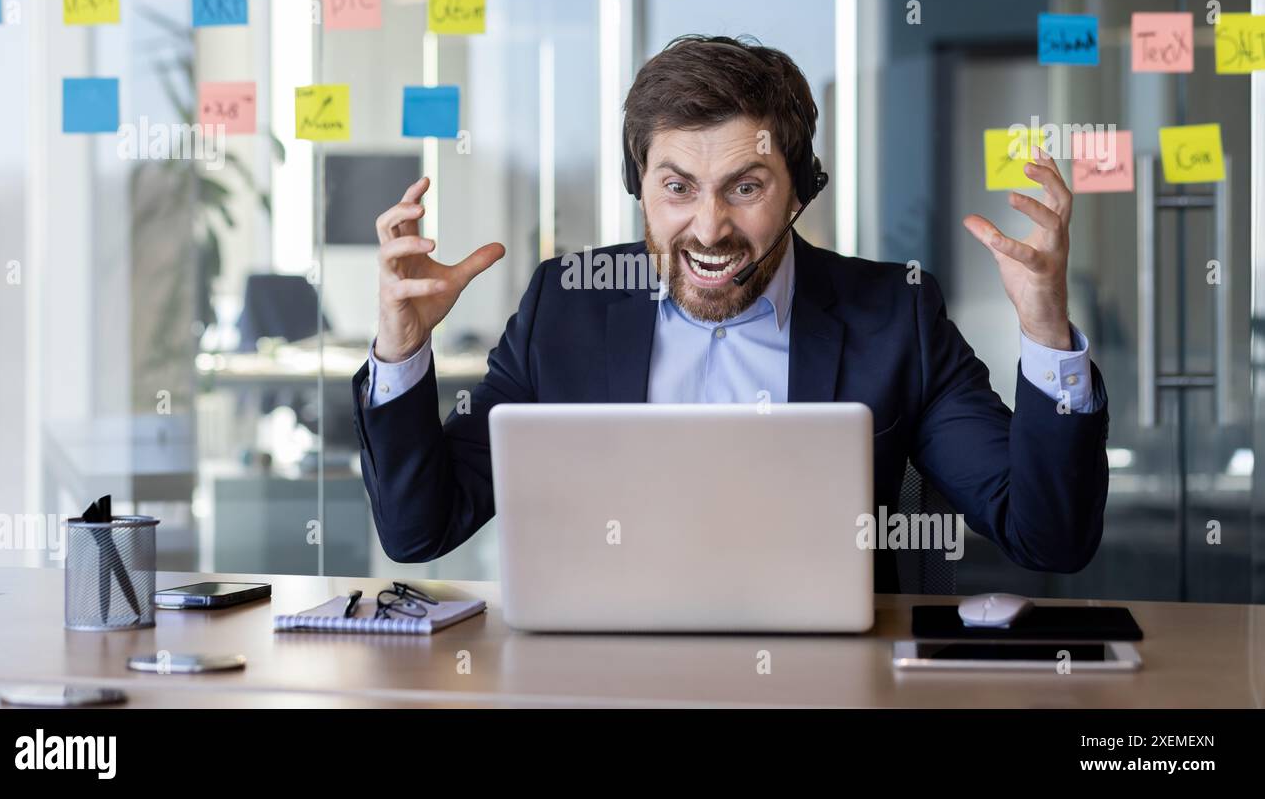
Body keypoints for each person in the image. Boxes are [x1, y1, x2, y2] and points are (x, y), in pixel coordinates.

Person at [351, 34, 1109, 591]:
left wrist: (1046, 332)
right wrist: (401, 348)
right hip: (600, 685)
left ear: (800, 188)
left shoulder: (892, 316)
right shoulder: (567, 306)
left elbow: (1048, 536)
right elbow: (424, 528)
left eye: (745, 187)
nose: (709, 227)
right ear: (638, 185)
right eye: (677, 187)